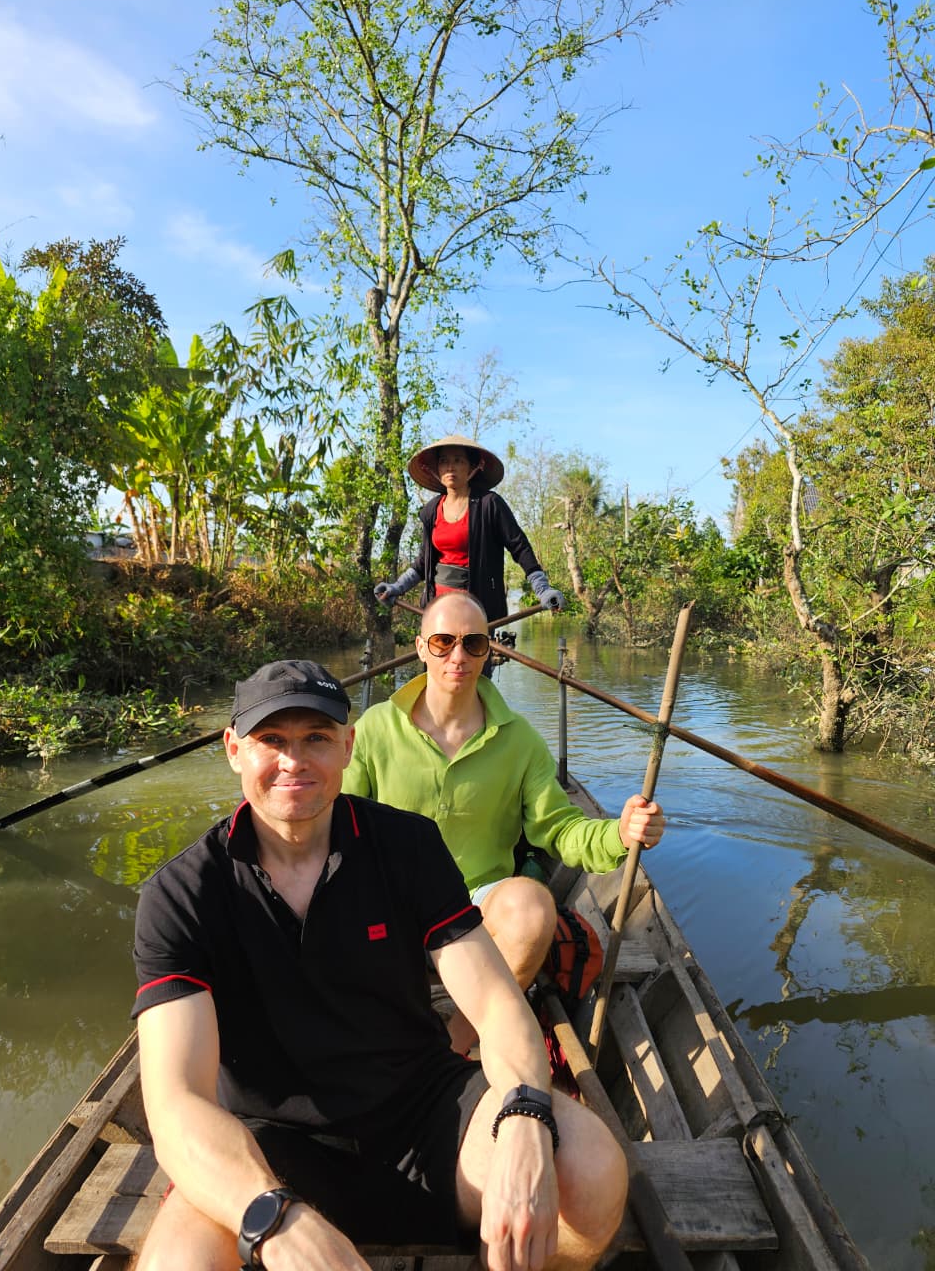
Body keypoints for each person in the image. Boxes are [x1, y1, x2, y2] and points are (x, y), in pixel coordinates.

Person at [132, 658, 627, 1271]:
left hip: (422, 1107)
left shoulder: (408, 845)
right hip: (271, 1143)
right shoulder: (182, 894)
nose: (294, 761)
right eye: (271, 740)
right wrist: (275, 1216)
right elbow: (175, 1101)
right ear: (234, 750)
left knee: (592, 1173)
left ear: (348, 745)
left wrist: (525, 1112)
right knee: (174, 1264)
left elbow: (497, 1006)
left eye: (315, 738)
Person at [343, 592, 665, 1051]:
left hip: (476, 904)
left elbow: (560, 828)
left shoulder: (520, 741)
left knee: (533, 907)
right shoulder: (376, 729)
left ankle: (456, 1045)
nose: (458, 656)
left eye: (473, 644)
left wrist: (622, 830)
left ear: (489, 651)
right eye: (443, 642)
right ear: (419, 647)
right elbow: (339, 825)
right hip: (388, 903)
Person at [374, 433, 566, 622]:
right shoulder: (431, 510)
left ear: (473, 468)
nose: (450, 467)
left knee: (473, 651)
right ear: (436, 470)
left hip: (477, 606)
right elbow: (423, 563)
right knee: (438, 651)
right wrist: (397, 587)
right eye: (443, 461)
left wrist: (542, 589)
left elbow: (520, 547)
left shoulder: (489, 504)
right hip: (438, 607)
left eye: (458, 461)